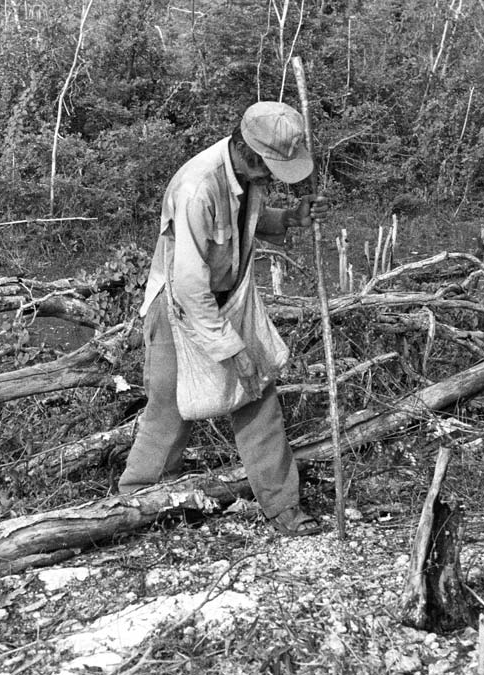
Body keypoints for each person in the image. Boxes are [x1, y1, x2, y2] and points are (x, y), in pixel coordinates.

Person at [118, 101, 325, 537]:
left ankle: (282, 506)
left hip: (226, 298)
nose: (273, 177)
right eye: (271, 168)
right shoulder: (197, 188)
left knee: (258, 395)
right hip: (178, 306)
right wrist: (232, 350)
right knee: (169, 410)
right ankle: (134, 507)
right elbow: (189, 288)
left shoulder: (247, 175)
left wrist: (290, 219)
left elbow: (244, 222)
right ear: (249, 153)